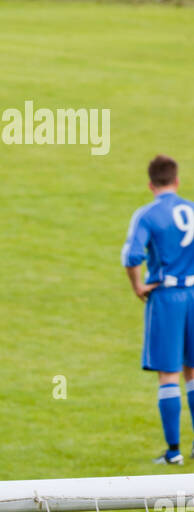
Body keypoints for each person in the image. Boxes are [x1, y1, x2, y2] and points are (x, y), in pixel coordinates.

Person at [122, 154, 194, 465]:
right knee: (193, 373)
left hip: (167, 297)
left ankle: (173, 451)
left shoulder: (147, 215)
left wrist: (138, 286)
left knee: (168, 373)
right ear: (177, 181)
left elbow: (132, 256)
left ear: (151, 184)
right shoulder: (192, 209)